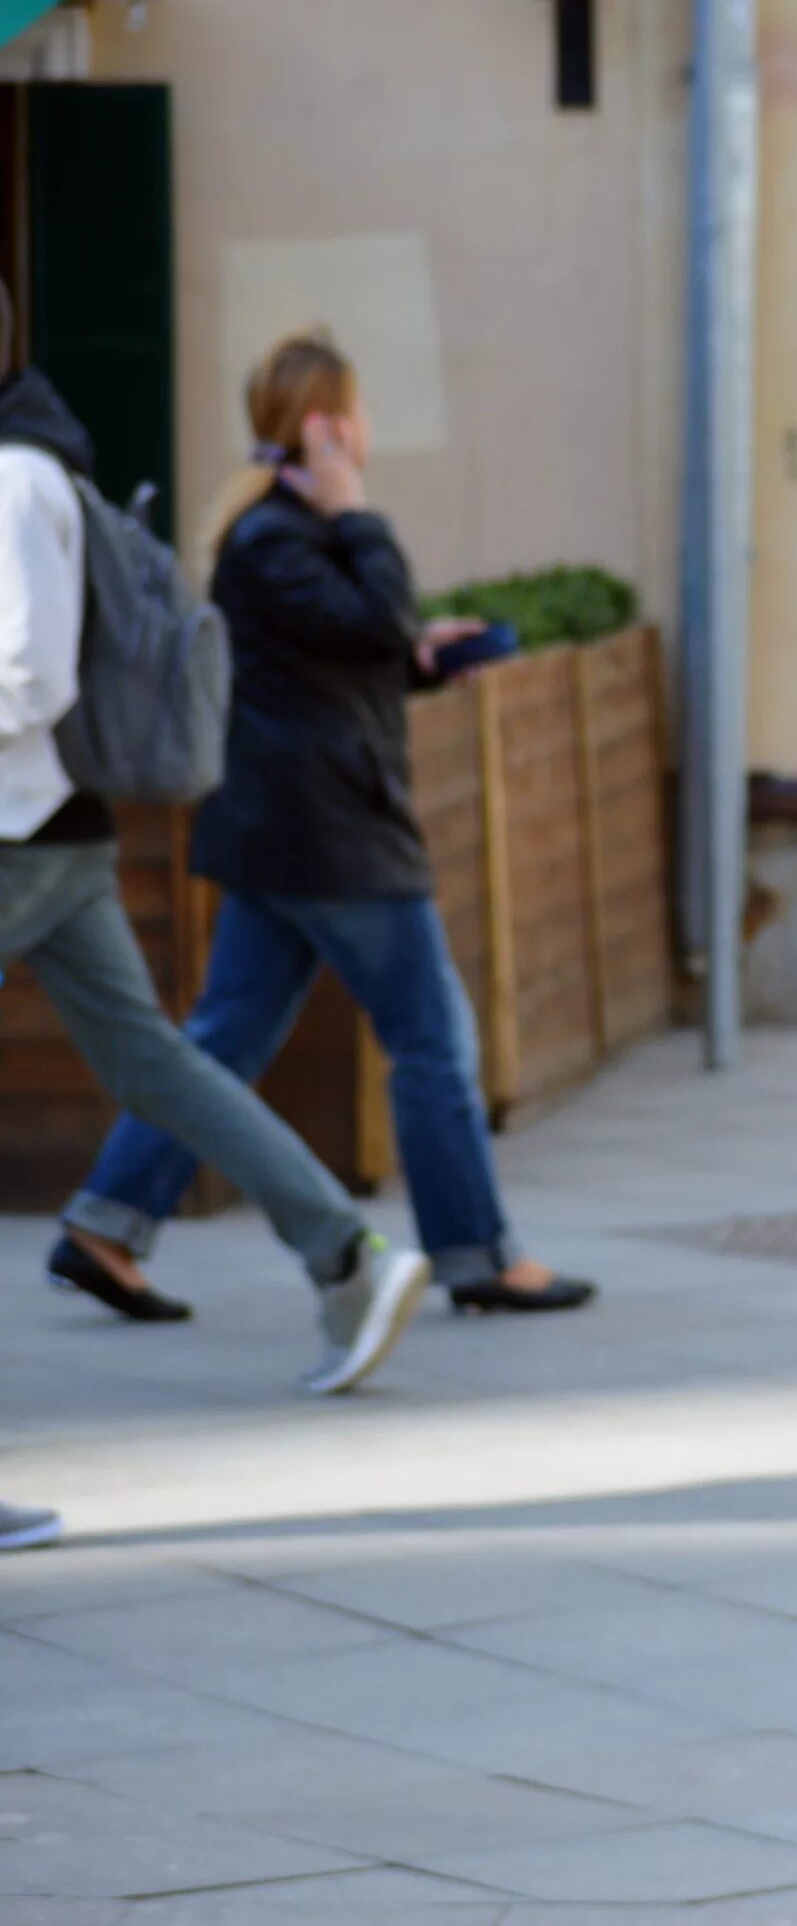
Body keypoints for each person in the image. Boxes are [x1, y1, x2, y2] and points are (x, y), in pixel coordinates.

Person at [66, 330, 595, 1320]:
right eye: (348, 413)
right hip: (332, 840)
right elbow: (370, 617)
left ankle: (105, 1226)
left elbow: (348, 655)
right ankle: (476, 1254)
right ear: (323, 424)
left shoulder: (279, 537)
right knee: (432, 1042)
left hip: (288, 834)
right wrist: (356, 512)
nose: (361, 431)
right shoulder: (280, 536)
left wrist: (423, 656)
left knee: (219, 1046)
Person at [0, 312, 427, 1394]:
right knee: (163, 1059)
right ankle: (343, 1256)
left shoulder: (13, 479)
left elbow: (28, 676)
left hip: (20, 827)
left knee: (194, 1053)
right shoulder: (41, 469)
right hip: (58, 827)